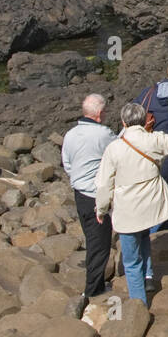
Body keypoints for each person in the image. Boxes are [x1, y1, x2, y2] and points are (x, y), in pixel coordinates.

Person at [95, 91, 168, 305]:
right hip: (152, 205)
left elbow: (104, 184)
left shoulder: (114, 148)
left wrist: (101, 210)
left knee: (131, 261)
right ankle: (149, 276)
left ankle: (138, 304)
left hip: (128, 209)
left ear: (123, 122)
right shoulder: (154, 140)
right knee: (145, 239)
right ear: (145, 120)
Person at [61, 93, 116, 302]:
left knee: (91, 238)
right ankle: (93, 290)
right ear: (100, 113)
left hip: (79, 193)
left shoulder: (70, 134)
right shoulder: (104, 134)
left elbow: (67, 164)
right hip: (95, 195)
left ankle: (96, 283)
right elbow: (116, 154)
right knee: (99, 244)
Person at [135, 63, 168, 232]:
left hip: (147, 153)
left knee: (153, 194)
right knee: (167, 190)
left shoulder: (148, 93)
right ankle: (156, 235)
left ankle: (159, 229)